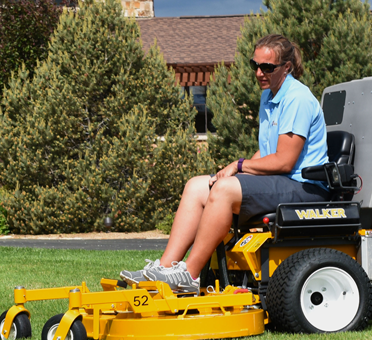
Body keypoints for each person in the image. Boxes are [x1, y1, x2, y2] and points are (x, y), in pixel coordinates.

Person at [120, 33, 330, 295]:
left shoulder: (297, 99)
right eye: (255, 65)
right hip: (281, 181)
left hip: (304, 187)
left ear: (286, 67)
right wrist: (237, 170)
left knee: (224, 190)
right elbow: (266, 151)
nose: (259, 73)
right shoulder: (269, 95)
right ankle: (164, 269)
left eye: (268, 67)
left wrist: (239, 166)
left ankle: (189, 275)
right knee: (198, 186)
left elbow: (284, 162)